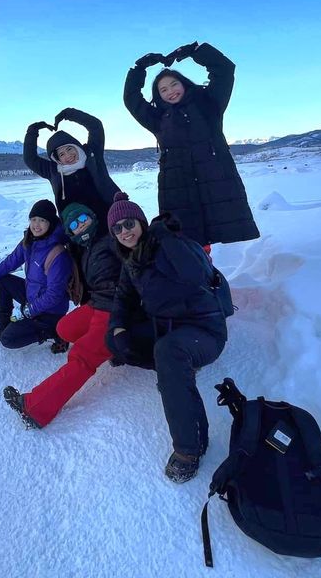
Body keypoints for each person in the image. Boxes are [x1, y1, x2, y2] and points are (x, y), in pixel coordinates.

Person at [104, 192, 227, 483]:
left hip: (204, 330)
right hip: (171, 330)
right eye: (117, 228)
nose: (125, 231)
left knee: (169, 351)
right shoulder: (133, 259)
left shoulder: (166, 244)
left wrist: (169, 242)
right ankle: (176, 376)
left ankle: (190, 448)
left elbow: (198, 273)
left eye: (129, 223)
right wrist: (118, 327)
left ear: (142, 222)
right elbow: (123, 298)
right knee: (116, 342)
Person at [123, 42, 259, 248]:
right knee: (188, 241)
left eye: (174, 84)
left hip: (215, 181)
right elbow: (132, 99)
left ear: (184, 84)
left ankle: (209, 277)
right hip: (177, 188)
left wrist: (196, 51)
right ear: (159, 96)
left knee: (214, 229)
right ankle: (203, 274)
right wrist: (139, 69)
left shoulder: (209, 104)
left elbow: (224, 70)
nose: (170, 91)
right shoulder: (157, 118)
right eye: (163, 90)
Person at [2, 202, 122, 428]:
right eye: (74, 224)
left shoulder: (111, 241)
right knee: (65, 328)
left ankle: (35, 408)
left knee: (82, 355)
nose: (81, 225)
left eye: (83, 218)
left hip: (115, 310)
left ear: (93, 218)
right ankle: (110, 348)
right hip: (98, 303)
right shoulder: (83, 247)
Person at [0, 199, 72, 352]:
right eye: (33, 219)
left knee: (9, 339)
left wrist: (28, 310)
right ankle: (3, 325)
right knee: (3, 281)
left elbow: (54, 295)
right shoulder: (30, 241)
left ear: (51, 223)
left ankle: (54, 331)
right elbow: (10, 262)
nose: (36, 225)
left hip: (50, 310)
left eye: (42, 220)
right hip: (32, 296)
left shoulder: (57, 253)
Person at [23, 107, 121, 223]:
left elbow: (95, 126)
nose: (68, 156)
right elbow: (30, 159)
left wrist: (69, 114)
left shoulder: (91, 155)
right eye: (62, 154)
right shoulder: (53, 170)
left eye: (70, 149)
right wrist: (33, 130)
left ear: (76, 147)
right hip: (77, 230)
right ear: (57, 158)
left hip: (111, 221)